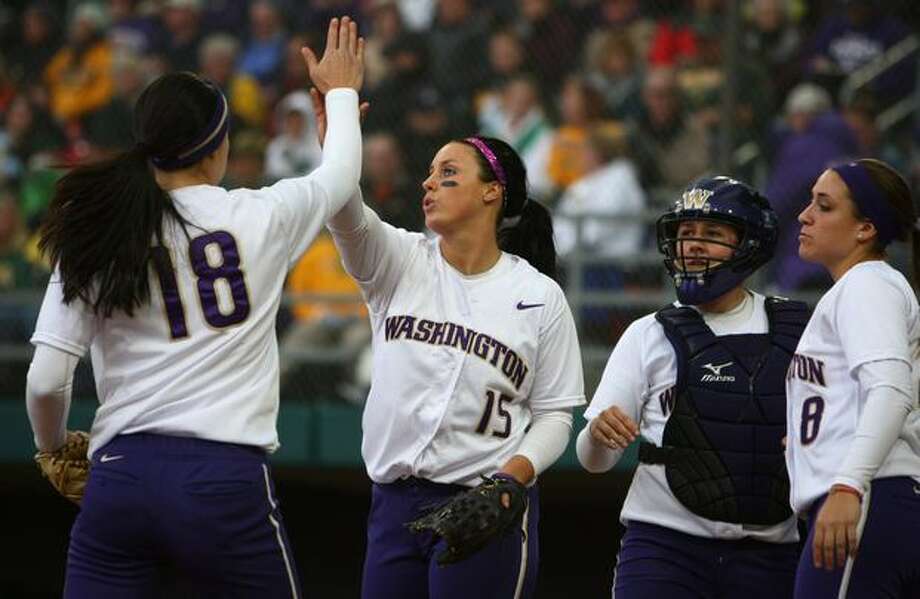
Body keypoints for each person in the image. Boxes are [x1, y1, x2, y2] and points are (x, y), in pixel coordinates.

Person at [24, 16, 364, 596]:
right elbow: (339, 173)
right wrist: (341, 92)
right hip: (223, 481)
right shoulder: (260, 216)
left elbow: (45, 382)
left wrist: (52, 449)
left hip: (119, 478)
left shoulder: (95, 230)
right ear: (219, 143)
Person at [312, 93, 585, 597]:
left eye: (449, 173)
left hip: (483, 505)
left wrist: (511, 479)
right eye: (430, 173)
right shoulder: (398, 260)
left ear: (492, 193)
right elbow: (345, 214)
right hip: (392, 505)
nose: (429, 182)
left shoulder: (539, 295)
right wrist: (339, 141)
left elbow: (553, 417)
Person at [577, 176, 809, 598]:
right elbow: (594, 462)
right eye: (686, 234)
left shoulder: (799, 330)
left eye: (712, 234)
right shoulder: (647, 333)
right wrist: (596, 434)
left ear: (749, 243)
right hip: (666, 547)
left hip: (771, 551)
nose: (694, 245)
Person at [785, 158, 920, 598]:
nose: (805, 215)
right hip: (875, 495)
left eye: (824, 206)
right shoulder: (862, 287)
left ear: (865, 229)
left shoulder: (867, 285)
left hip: (868, 494)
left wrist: (848, 483)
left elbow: (891, 389)